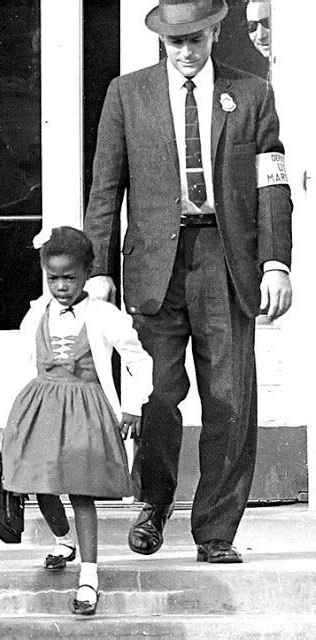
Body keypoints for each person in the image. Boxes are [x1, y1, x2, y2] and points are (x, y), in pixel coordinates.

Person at [84, 0, 292, 564]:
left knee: (229, 397)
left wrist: (276, 263)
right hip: (155, 267)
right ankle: (152, 504)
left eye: (196, 39)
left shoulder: (252, 93)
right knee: (156, 393)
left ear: (215, 33)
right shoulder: (126, 94)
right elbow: (105, 190)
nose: (186, 51)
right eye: (175, 42)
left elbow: (272, 186)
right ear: (161, 41)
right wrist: (97, 273)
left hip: (226, 260)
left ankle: (216, 530)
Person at [1, 226, 153, 615]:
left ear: (87, 273)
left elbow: (137, 360)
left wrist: (133, 405)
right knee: (41, 484)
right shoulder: (37, 313)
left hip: (85, 408)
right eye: (53, 278)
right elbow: (23, 360)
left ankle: (89, 576)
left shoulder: (105, 316)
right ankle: (63, 539)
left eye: (69, 278)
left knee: (81, 491)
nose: (61, 287)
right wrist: (16, 416)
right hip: (42, 406)